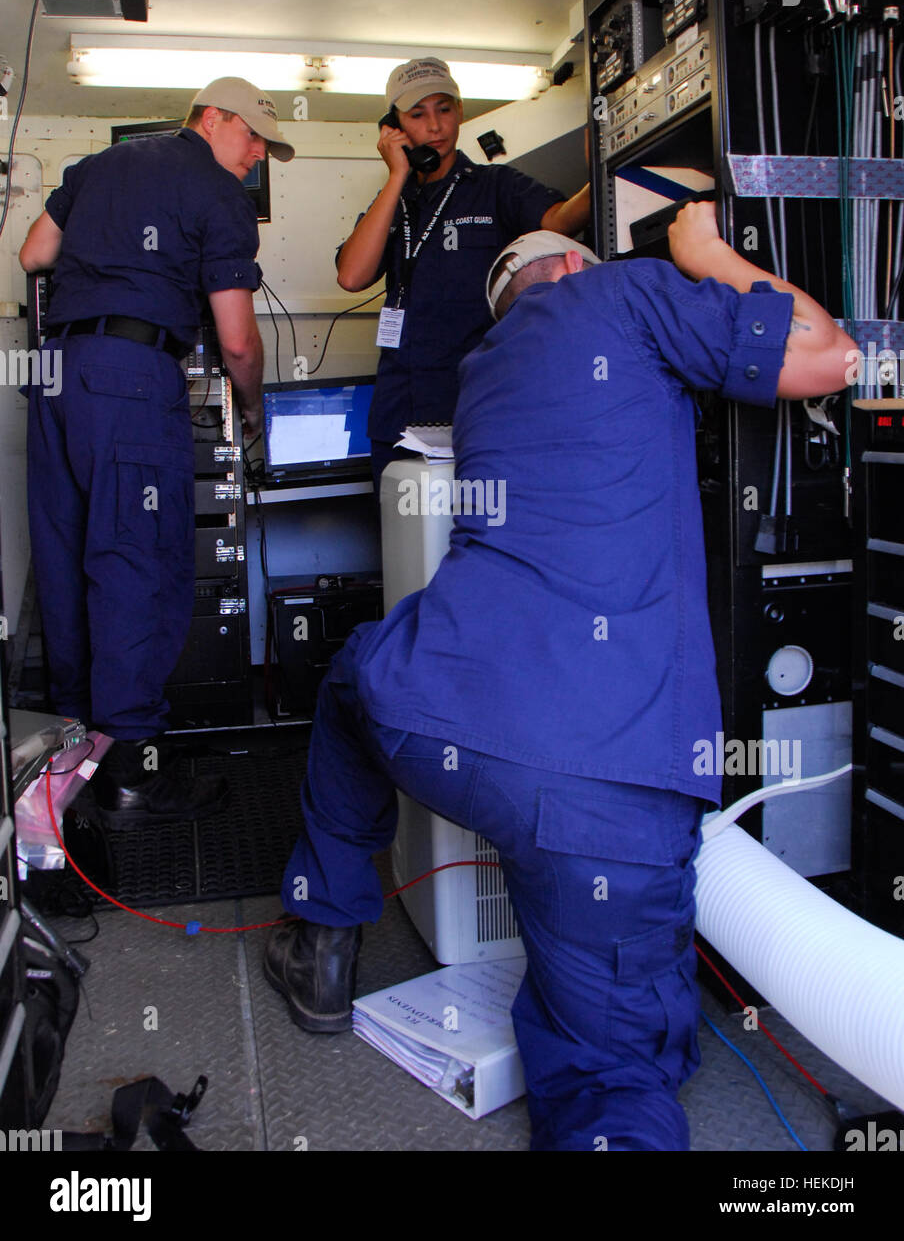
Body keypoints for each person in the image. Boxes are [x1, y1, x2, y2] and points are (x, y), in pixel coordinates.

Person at [264, 200, 857, 1150]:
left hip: (434, 717)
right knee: (611, 1082)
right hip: (602, 782)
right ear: (583, 266)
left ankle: (324, 939)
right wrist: (705, 253)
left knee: (350, 681)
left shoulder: (482, 371)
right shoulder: (627, 294)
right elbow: (831, 355)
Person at [18, 77, 294, 826]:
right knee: (136, 565)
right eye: (253, 140)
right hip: (132, 385)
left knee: (70, 560)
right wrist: (252, 404)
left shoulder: (98, 166)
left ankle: (76, 762)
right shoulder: (218, 195)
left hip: (53, 376)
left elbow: (32, 252)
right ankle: (135, 771)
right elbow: (237, 341)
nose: (255, 159)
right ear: (214, 118)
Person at [335, 56, 592, 486]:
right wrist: (397, 175)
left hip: (477, 407)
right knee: (405, 547)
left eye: (445, 109)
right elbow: (352, 276)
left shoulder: (495, 186)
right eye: (417, 115)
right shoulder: (391, 203)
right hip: (401, 414)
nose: (435, 126)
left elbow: (559, 221)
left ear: (460, 112)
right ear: (392, 127)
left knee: (477, 538)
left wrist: (602, 166)